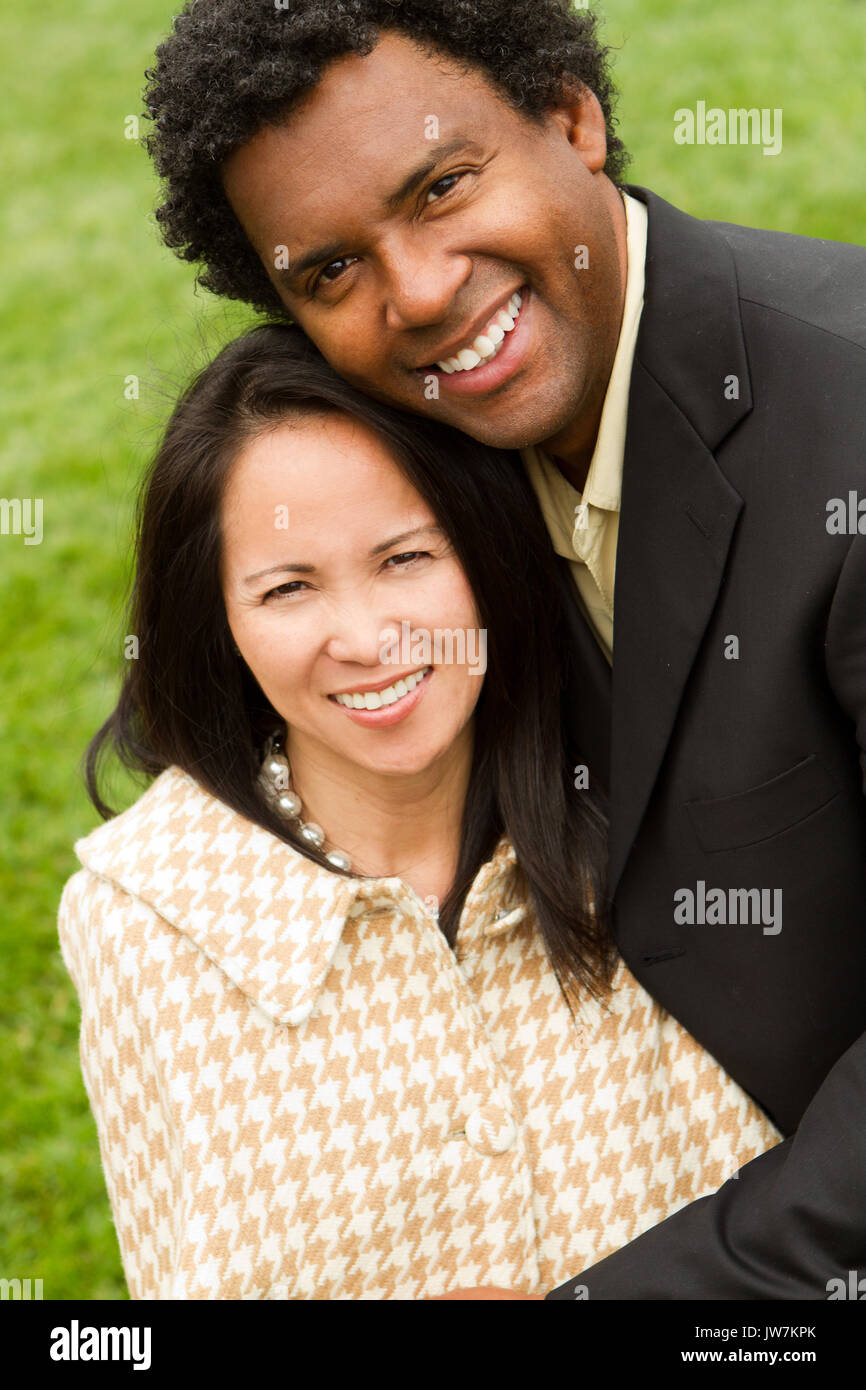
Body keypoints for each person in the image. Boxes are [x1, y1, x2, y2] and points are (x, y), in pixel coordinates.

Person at [140, 2, 866, 1298]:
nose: (417, 293)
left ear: (570, 117)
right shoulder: (429, 460)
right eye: (329, 271)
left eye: (442, 185)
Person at [57, 324, 780, 1299]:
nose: (365, 639)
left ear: (487, 545)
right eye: (287, 587)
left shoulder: (660, 801)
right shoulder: (141, 918)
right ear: (217, 620)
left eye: (404, 558)